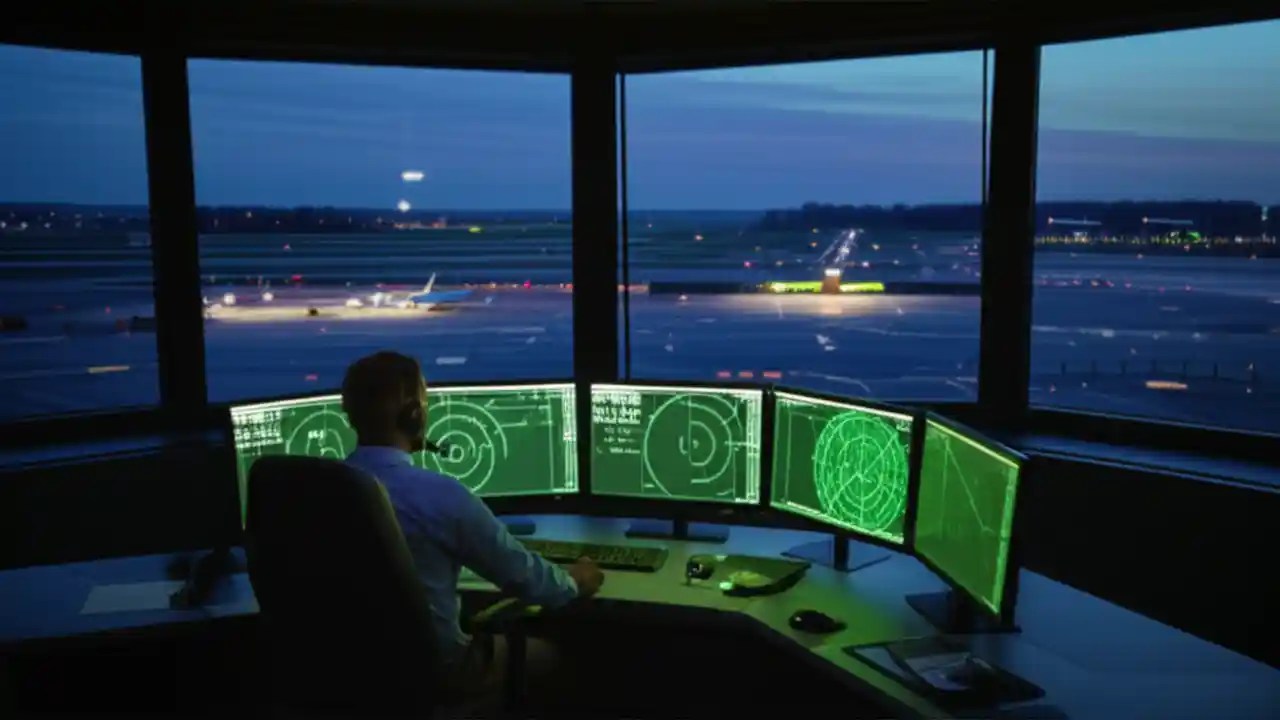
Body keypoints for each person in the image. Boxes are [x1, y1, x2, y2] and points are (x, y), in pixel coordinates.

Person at [340, 350, 604, 698]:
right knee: (554, 657)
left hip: (347, 675)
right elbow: (526, 578)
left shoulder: (323, 491)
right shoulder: (440, 496)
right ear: (414, 416)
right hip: (437, 674)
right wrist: (574, 581)